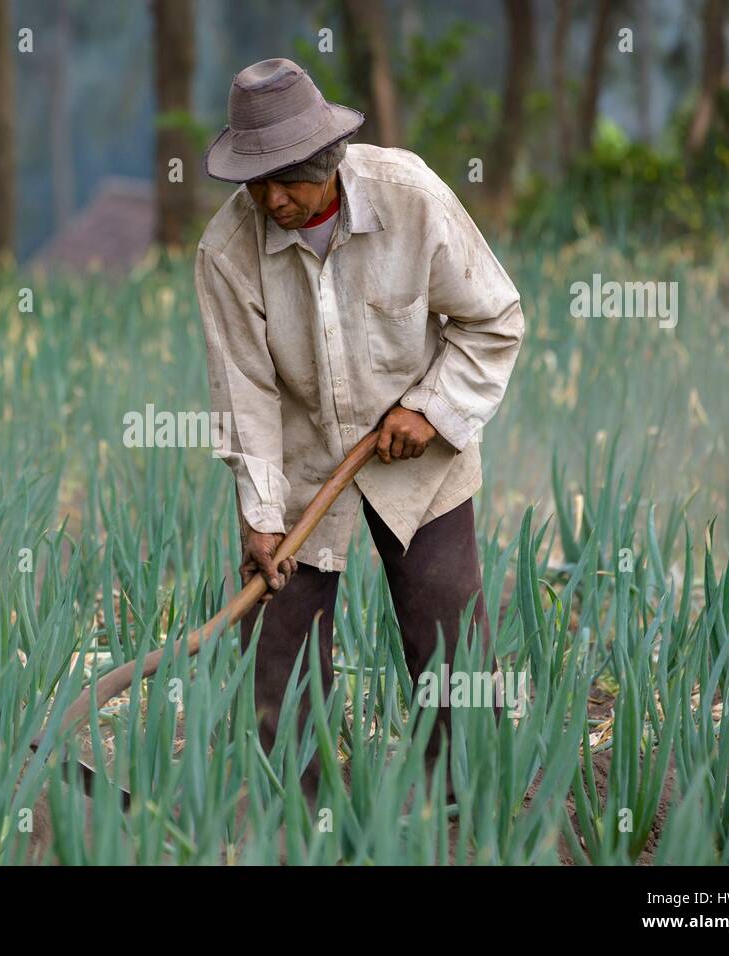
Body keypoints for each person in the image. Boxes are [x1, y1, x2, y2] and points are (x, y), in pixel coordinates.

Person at [197, 58, 525, 802]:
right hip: (303, 466)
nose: (273, 200)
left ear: (330, 163)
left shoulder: (410, 200)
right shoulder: (226, 252)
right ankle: (299, 820)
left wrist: (432, 409)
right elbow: (243, 392)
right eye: (257, 183)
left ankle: (466, 811)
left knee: (449, 643)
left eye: (289, 181)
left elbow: (494, 318)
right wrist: (258, 514)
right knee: (277, 658)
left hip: (422, 459)